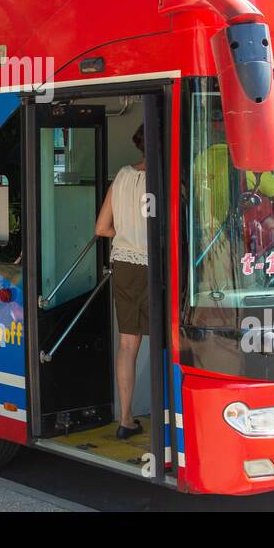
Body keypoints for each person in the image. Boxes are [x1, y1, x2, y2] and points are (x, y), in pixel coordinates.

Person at [94, 124, 150, 440]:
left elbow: (102, 228)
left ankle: (126, 418)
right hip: (156, 265)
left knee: (128, 345)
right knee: (169, 341)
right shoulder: (167, 177)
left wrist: (127, 236)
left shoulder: (122, 176)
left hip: (125, 263)